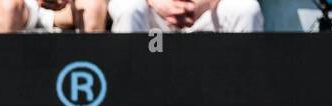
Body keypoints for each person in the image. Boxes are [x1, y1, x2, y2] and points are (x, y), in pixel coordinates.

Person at [108, 0, 263, 31]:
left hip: (205, 12)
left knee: (246, 9)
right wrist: (157, 2)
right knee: (129, 8)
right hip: (154, 12)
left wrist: (198, 5)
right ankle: (126, 94)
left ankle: (244, 97)